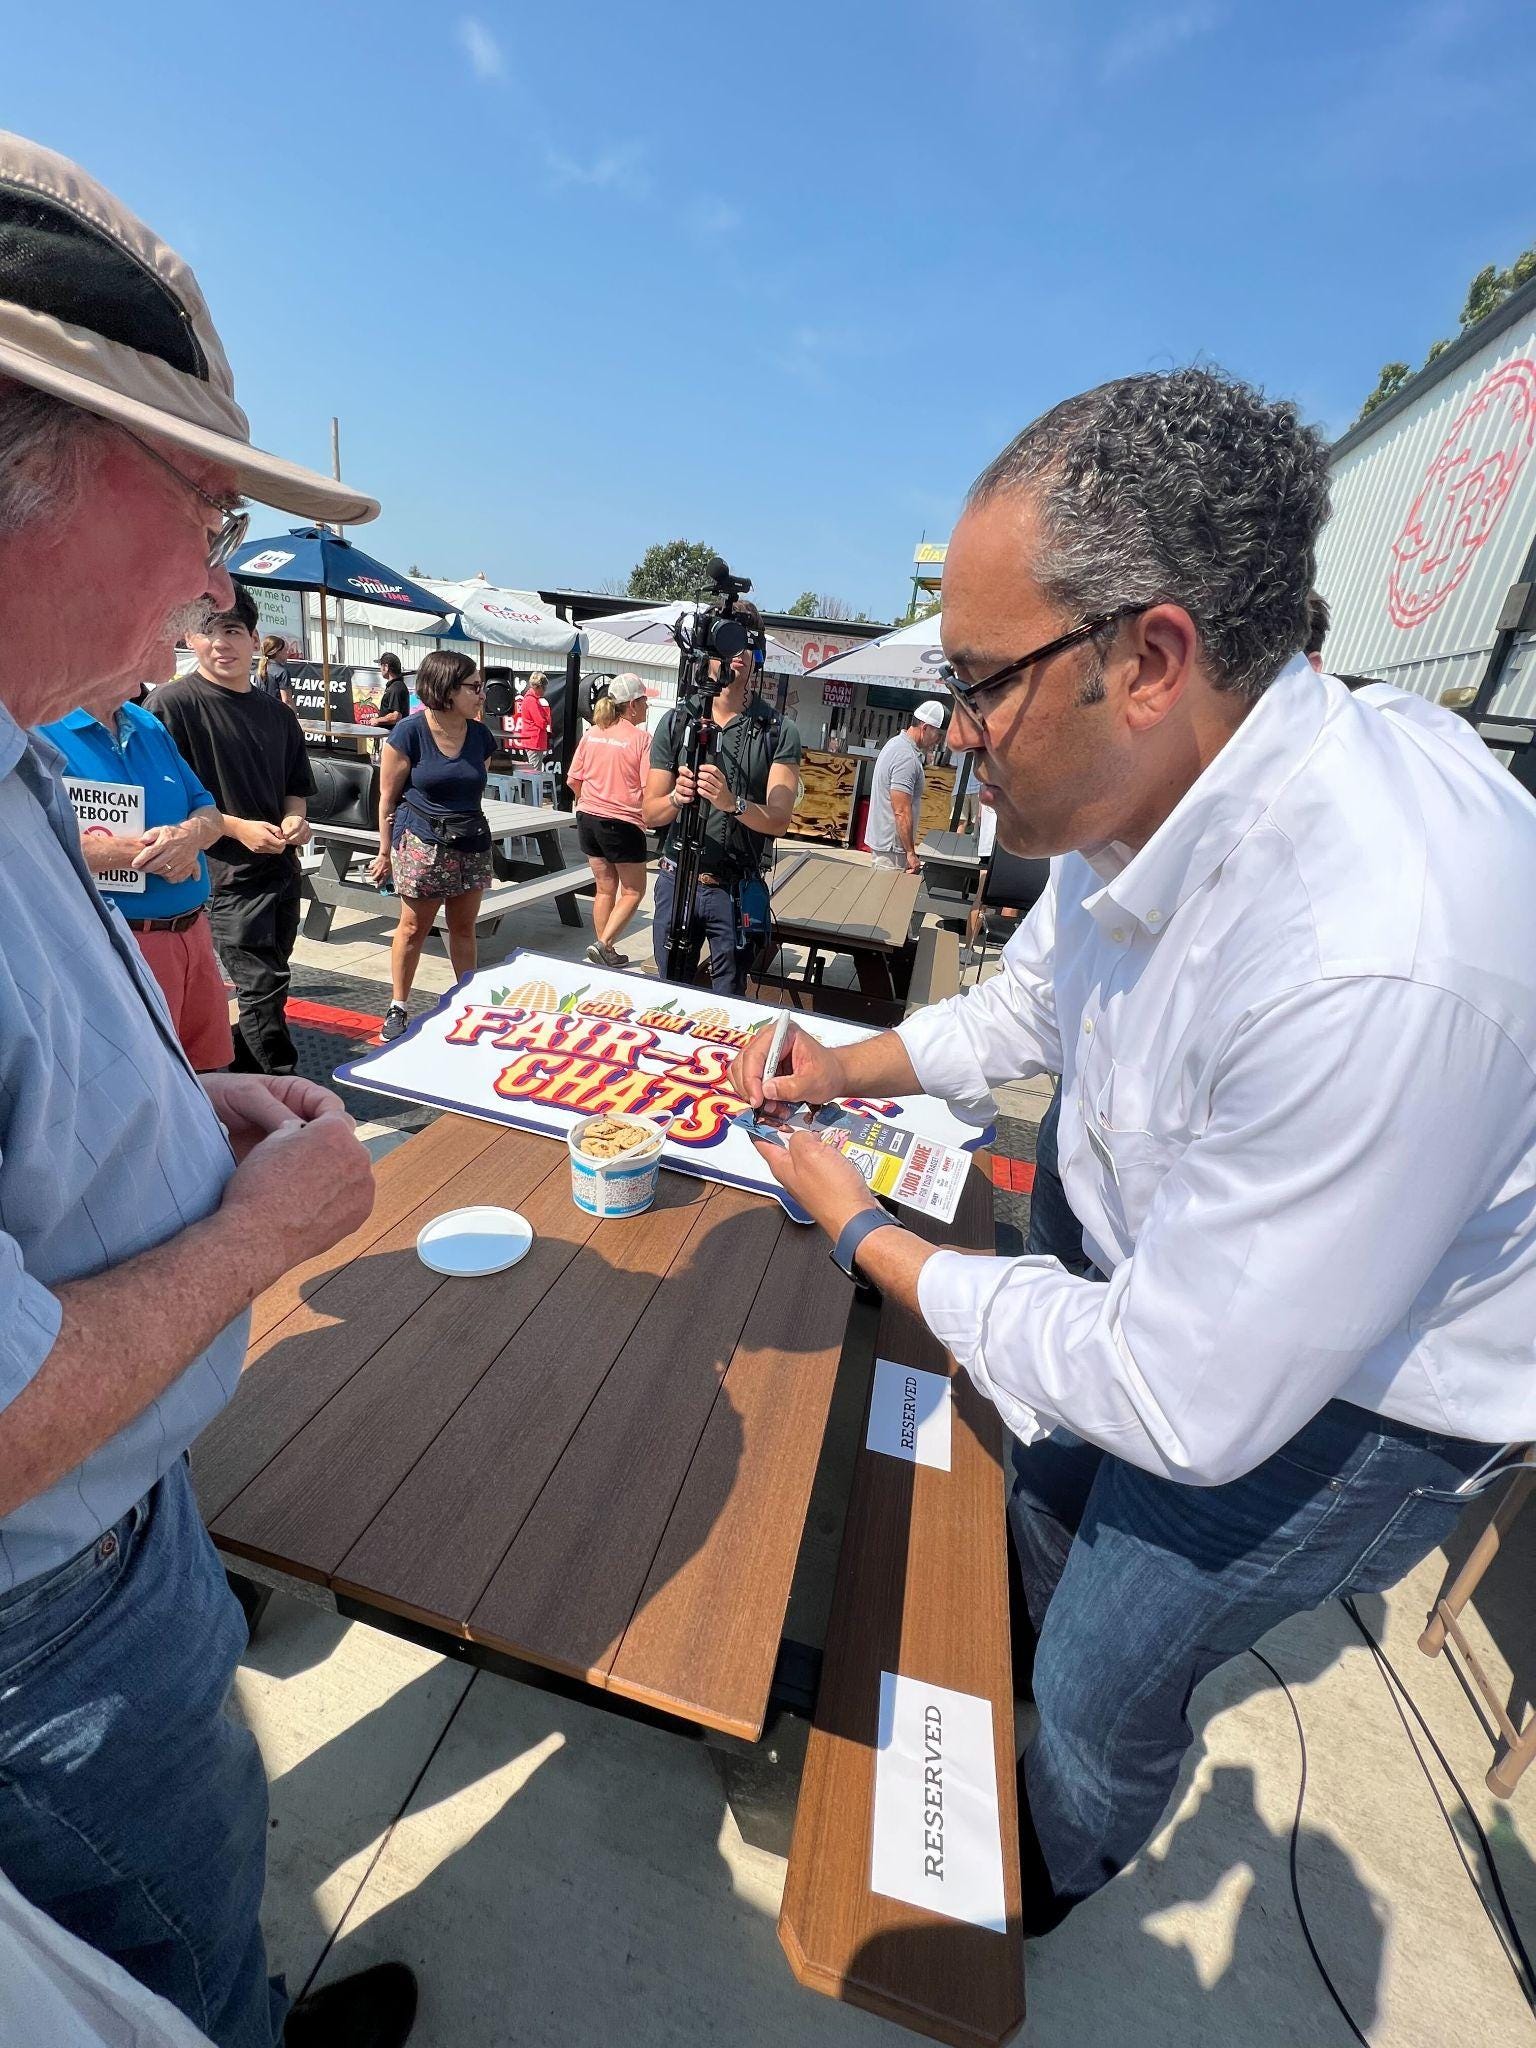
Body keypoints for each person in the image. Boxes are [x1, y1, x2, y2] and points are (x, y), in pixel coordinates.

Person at [731, 365, 1536, 1938]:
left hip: (1362, 1394)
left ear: (1151, 659)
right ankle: (1003, 1683)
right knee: (1038, 1503)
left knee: (1110, 1667)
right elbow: (1029, 1005)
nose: (950, 735)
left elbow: (1184, 1390)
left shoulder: (1376, 948)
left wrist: (866, 1235)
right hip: (1143, 1268)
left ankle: (1054, 1863)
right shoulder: (1130, 790)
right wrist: (848, 1061)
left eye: (977, 684)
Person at [0, 131, 415, 2046]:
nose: (218, 569)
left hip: (107, 1542)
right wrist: (254, 1230)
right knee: (161, 1971)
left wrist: (187, 1125)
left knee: (205, 1883)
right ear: (40, 470)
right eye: (208, 505)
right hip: (42, 1615)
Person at [152, 587, 314, 1076]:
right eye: (208, 631)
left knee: (271, 980)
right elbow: (165, 803)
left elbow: (295, 786)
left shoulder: (278, 714)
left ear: (253, 639)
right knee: (260, 984)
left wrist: (295, 819)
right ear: (188, 638)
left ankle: (243, 1078)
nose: (221, 643)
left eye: (232, 631)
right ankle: (280, 1084)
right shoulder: (170, 706)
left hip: (280, 870)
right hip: (220, 875)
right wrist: (238, 828)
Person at [38, 690, 235, 1072]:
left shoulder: (145, 722)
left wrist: (188, 837)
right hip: (115, 944)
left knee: (211, 1081)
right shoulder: (38, 724)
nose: (158, 669)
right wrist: (157, 855)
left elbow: (208, 811)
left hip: (192, 936)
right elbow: (36, 835)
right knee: (143, 1083)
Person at [643, 601, 802, 996]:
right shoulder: (679, 720)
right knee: (668, 995)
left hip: (731, 890)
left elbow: (780, 819)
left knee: (729, 1000)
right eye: (722, 644)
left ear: (756, 656)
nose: (732, 658)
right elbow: (650, 811)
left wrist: (734, 803)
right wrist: (678, 799)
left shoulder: (777, 730)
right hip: (674, 878)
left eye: (742, 646)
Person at [370, 650, 496, 1042]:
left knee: (463, 928)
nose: (482, 695)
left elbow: (472, 789)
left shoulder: (481, 736)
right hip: (422, 844)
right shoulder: (409, 732)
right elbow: (387, 799)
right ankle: (398, 1004)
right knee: (412, 928)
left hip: (471, 843)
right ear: (446, 688)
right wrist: (385, 851)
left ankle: (467, 999)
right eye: (474, 687)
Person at [567, 674, 651, 967]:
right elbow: (646, 788)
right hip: (623, 822)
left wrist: (588, 801)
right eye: (644, 701)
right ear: (631, 706)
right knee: (633, 890)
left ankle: (605, 949)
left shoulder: (592, 733)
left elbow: (573, 780)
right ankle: (603, 944)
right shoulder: (641, 740)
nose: (648, 706)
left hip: (588, 817)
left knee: (604, 888)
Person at [867, 701, 946, 872]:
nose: (938, 740)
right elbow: (901, 810)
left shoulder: (895, 744)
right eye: (938, 734)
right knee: (886, 896)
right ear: (924, 727)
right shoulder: (906, 757)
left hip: (888, 843)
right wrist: (910, 852)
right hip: (893, 847)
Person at [510, 669, 552, 760]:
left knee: (534, 769)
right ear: (538, 687)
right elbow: (541, 722)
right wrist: (546, 720)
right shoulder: (531, 700)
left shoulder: (532, 699)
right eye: (544, 688)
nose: (544, 691)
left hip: (534, 741)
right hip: (534, 742)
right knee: (534, 771)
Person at [375, 649, 410, 730]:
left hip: (393, 736)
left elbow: (396, 716)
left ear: (386, 667)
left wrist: (377, 720)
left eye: (381, 665)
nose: (380, 669)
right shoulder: (395, 686)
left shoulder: (396, 687)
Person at [253, 633, 291, 705]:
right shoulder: (282, 672)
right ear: (278, 652)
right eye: (285, 650)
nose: (288, 653)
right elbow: (287, 701)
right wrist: (294, 715)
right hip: (276, 713)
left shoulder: (260, 669)